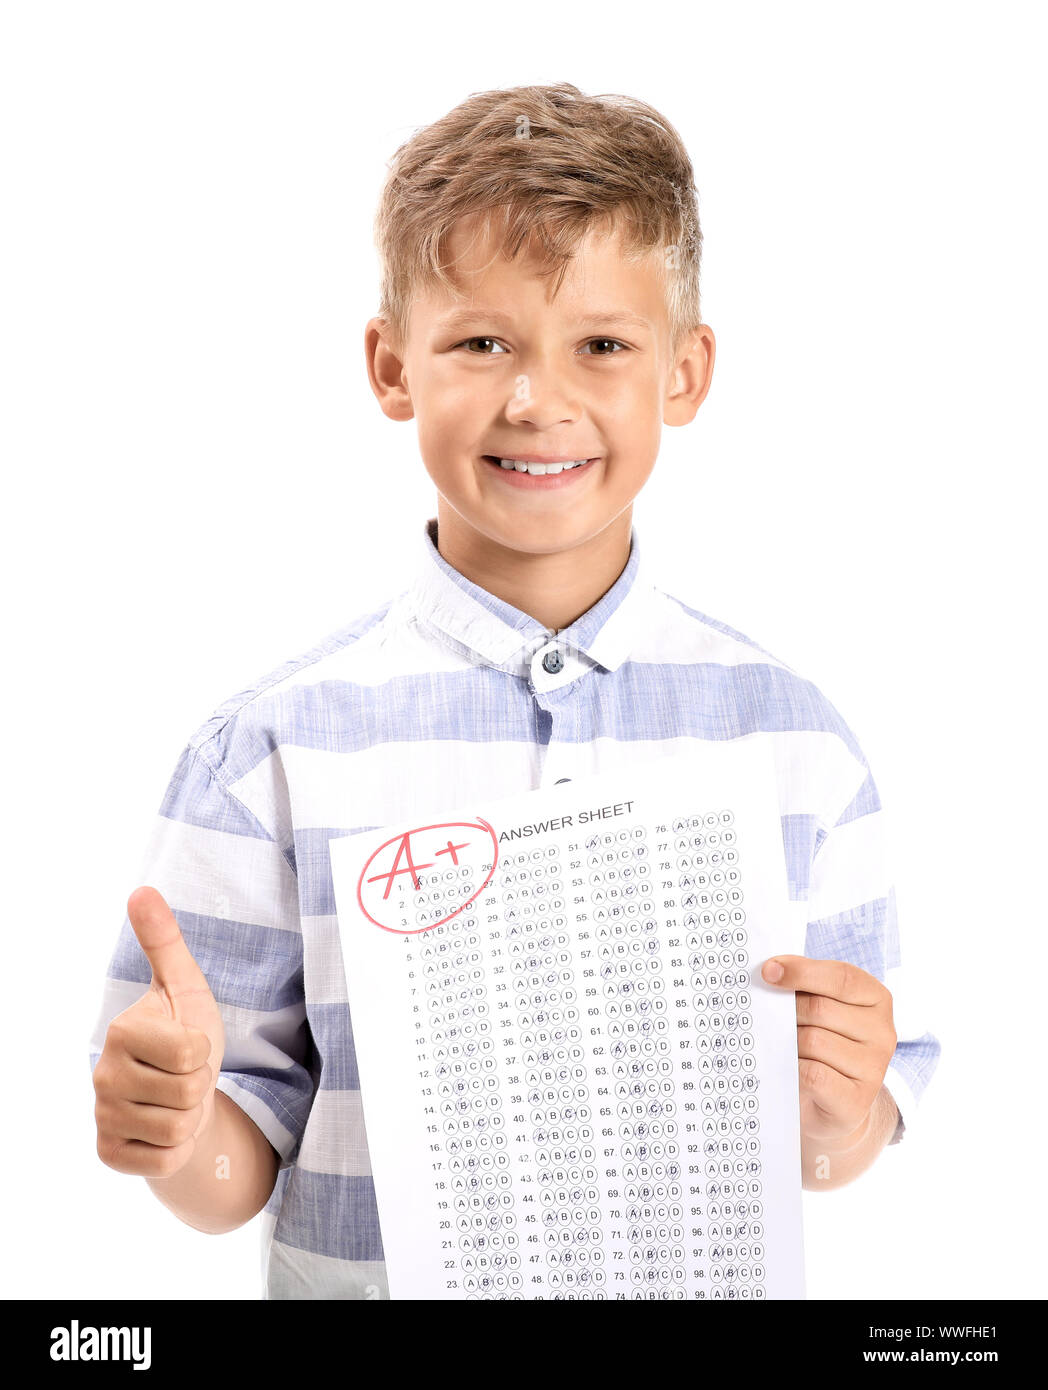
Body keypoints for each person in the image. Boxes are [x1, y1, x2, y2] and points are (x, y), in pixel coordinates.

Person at [89, 82, 941, 1300]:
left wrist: (844, 1106)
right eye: (482, 341)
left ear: (684, 374)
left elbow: (832, 1145)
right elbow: (231, 1170)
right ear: (391, 365)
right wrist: (167, 1131)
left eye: (601, 343)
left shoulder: (796, 741)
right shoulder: (269, 746)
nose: (538, 398)